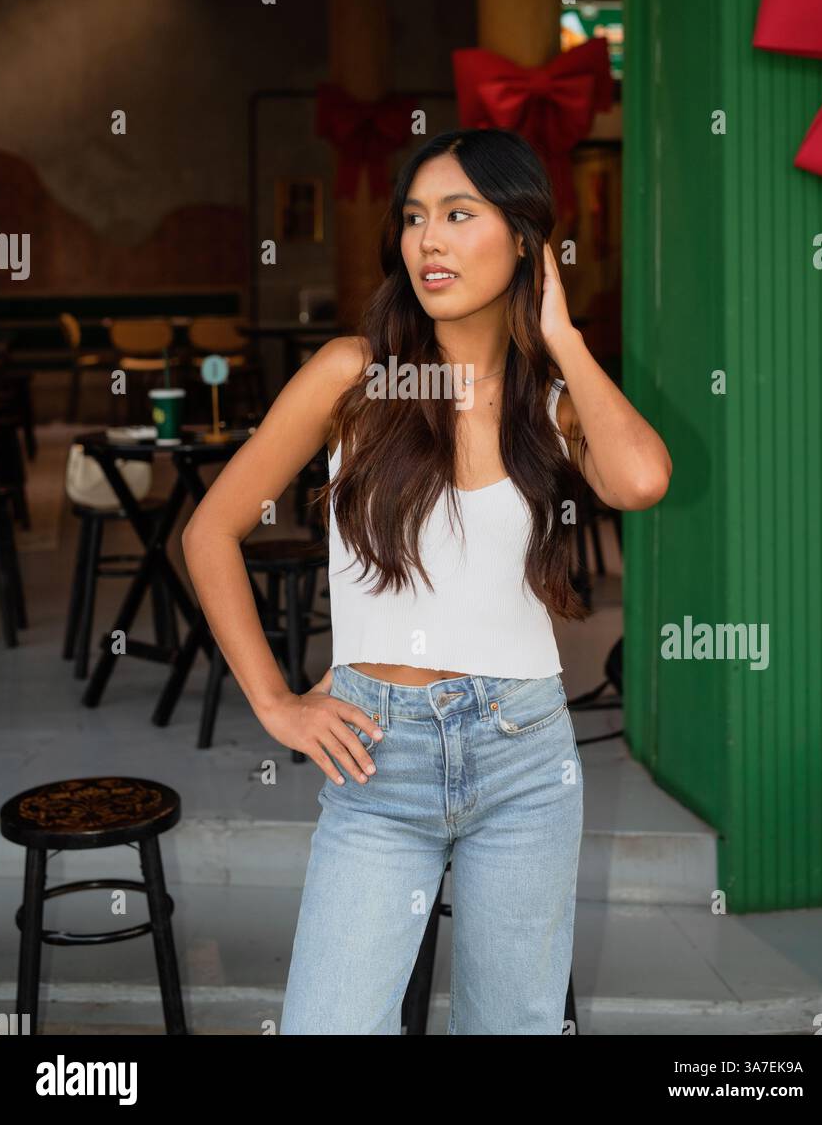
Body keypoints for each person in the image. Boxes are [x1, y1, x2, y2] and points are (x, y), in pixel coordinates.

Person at [182, 127, 672, 1034]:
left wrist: (559, 335)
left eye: (458, 214)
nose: (428, 240)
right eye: (414, 218)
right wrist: (276, 702)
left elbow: (641, 478)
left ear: (524, 239)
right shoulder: (352, 377)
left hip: (524, 755)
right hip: (379, 755)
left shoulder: (549, 405)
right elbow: (210, 530)